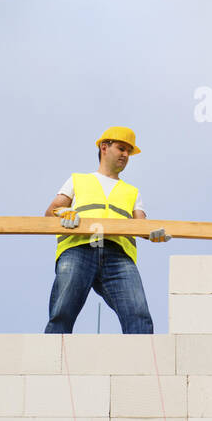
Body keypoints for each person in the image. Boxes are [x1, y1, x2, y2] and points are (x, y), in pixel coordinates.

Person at [44, 127, 169, 334]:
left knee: (138, 315)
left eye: (129, 151)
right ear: (104, 147)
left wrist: (153, 233)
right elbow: (50, 213)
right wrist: (63, 213)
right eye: (122, 148)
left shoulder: (132, 192)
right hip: (79, 249)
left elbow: (142, 224)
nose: (126, 155)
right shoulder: (78, 180)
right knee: (62, 311)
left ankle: (142, 364)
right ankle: (50, 361)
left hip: (117, 255)